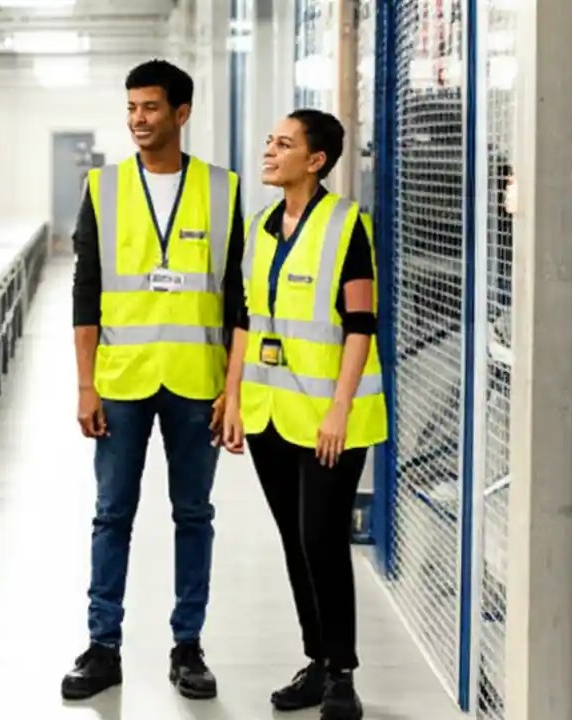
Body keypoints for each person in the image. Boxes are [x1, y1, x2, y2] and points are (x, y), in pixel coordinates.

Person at [62, 58, 245, 702]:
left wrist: (233, 390)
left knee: (193, 514)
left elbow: (237, 299)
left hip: (197, 383)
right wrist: (85, 385)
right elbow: (86, 291)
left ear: (181, 113)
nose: (138, 119)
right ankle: (102, 646)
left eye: (151, 108)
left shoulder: (222, 189)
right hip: (122, 380)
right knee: (112, 514)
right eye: (132, 108)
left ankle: (188, 646)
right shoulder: (103, 187)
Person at [218, 108, 388, 720]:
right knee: (295, 541)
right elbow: (245, 319)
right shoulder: (259, 227)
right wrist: (233, 397)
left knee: (322, 539)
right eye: (270, 141)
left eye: (283, 144)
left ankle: (342, 674)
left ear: (315, 161)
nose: (269, 151)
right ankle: (316, 661)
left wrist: (339, 411)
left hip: (328, 420)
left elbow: (361, 324)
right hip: (270, 414)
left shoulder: (347, 227)